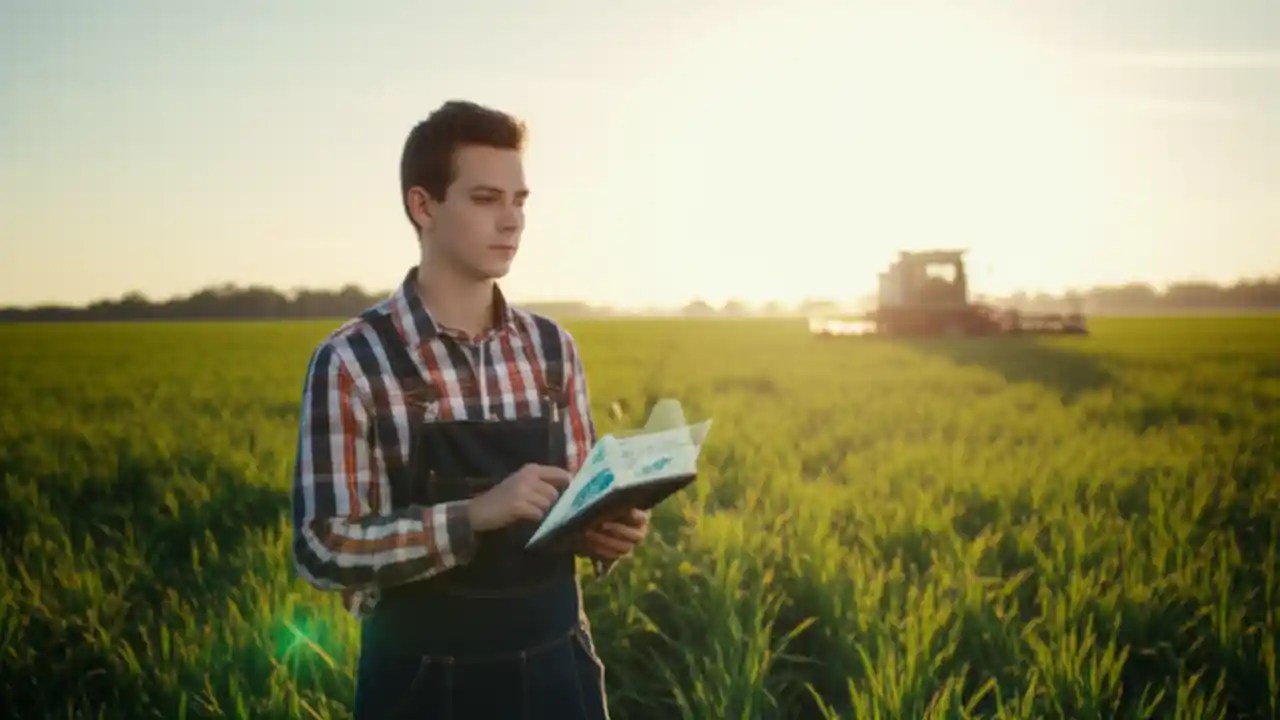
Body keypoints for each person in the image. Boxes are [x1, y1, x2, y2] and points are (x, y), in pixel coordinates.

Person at [290, 99, 651, 719]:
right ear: (423, 206)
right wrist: (473, 515)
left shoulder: (551, 349)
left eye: (520, 200)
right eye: (486, 199)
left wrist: (607, 532)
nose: (511, 221)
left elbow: (574, 506)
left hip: (557, 667)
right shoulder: (352, 361)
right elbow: (324, 547)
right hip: (422, 683)